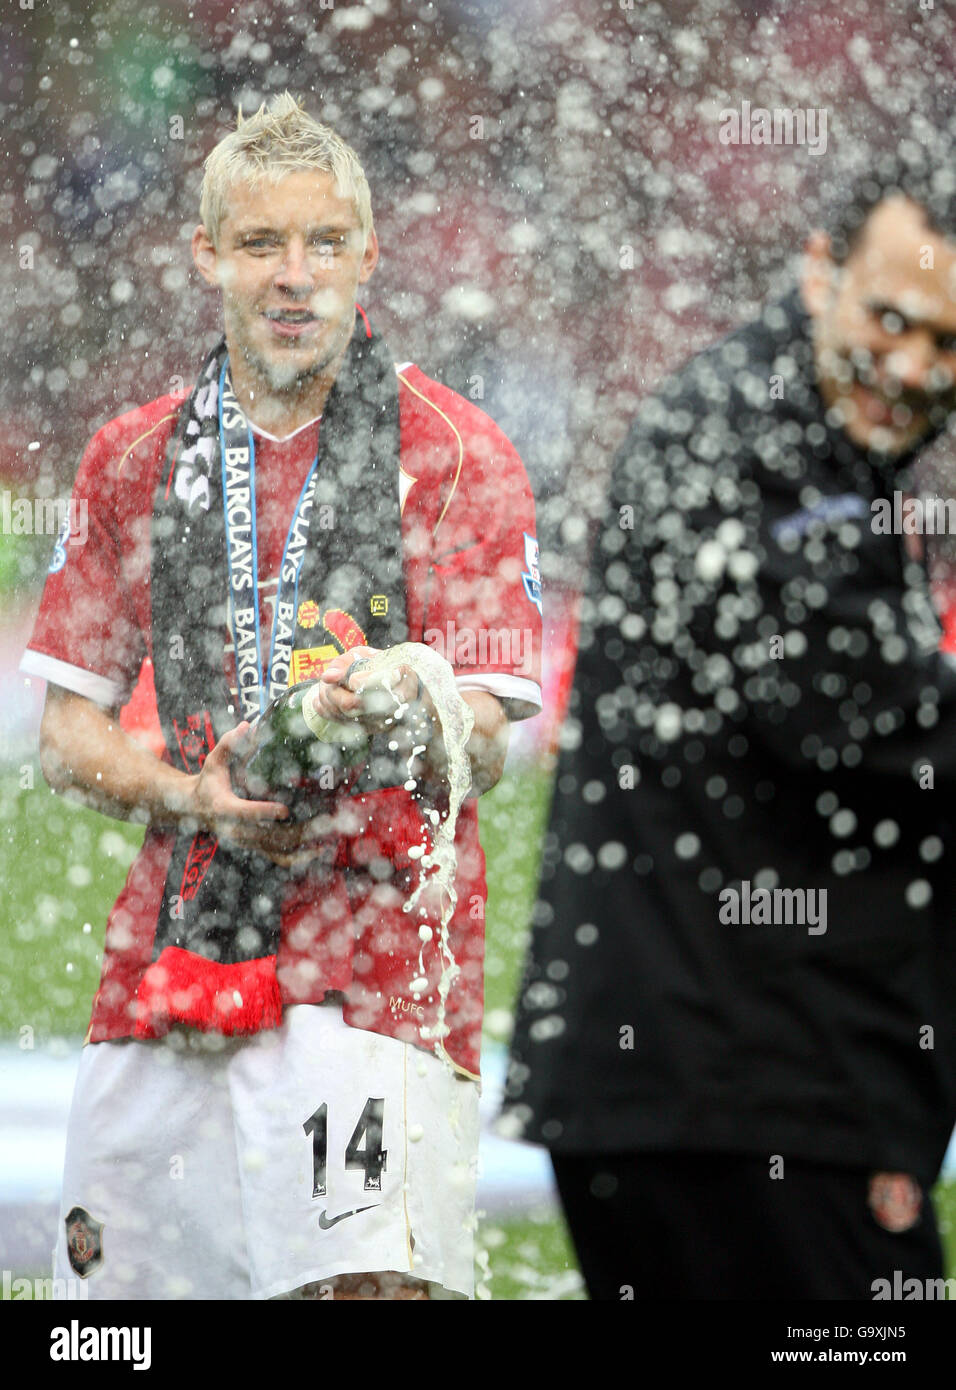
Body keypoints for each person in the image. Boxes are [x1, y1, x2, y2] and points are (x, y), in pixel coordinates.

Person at [22, 93, 542, 1301]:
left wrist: (402, 707)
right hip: (174, 949)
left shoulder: (453, 449)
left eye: (323, 243)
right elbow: (64, 736)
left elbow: (489, 733)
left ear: (370, 253)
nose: (293, 276)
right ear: (208, 255)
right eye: (261, 244)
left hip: (376, 960)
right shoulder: (134, 454)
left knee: (360, 1296)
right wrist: (184, 791)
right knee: (112, 1325)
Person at [503, 152, 956, 1300]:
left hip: (710, 1082)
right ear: (818, 274)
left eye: (944, 344)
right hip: (743, 1097)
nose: (908, 367)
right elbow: (868, 727)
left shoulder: (801, 442)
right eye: (889, 320)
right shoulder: (755, 447)